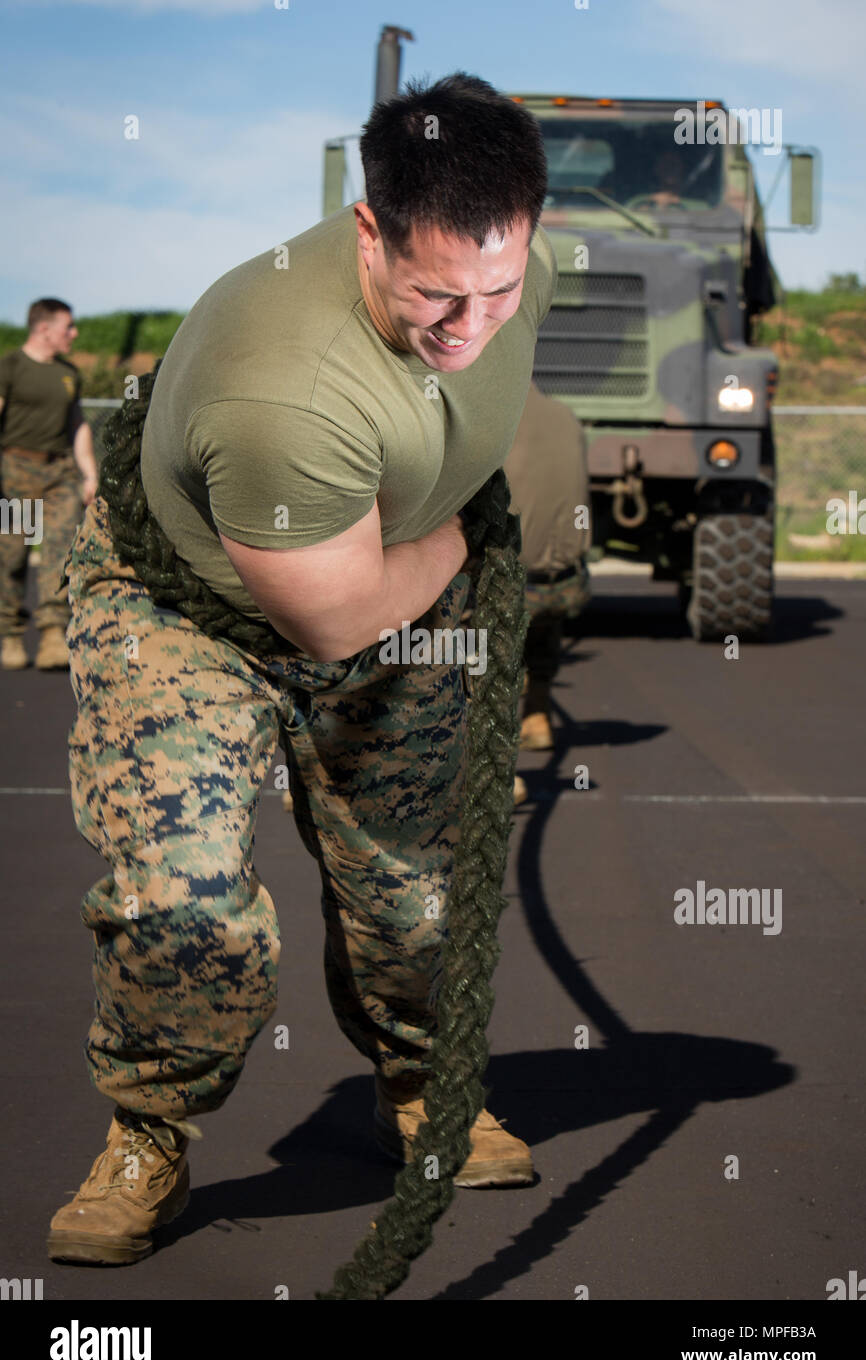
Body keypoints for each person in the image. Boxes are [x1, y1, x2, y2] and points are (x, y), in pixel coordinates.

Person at [47, 72, 556, 1267]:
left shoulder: (498, 248)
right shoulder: (284, 380)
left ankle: (423, 1086)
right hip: (193, 609)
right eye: (436, 295)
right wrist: (458, 534)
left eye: (499, 288)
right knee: (187, 900)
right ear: (366, 229)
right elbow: (340, 619)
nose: (471, 325)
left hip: (374, 574)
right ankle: (150, 1129)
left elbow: (485, 324)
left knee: (418, 894)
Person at [504, 383, 591, 803]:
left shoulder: (492, 420)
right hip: (566, 581)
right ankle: (537, 715)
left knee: (467, 655)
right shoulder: (565, 416)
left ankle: (496, 768)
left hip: (519, 585)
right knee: (541, 627)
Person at [0, 299, 98, 670]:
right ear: (44, 328)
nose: (73, 334)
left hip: (59, 475)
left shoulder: (69, 373)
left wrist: (89, 473)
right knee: (12, 556)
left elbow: (78, 425)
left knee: (59, 552)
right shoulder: (10, 367)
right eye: (67, 327)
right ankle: (10, 634)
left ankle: (53, 633)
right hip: (16, 473)